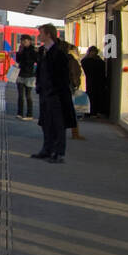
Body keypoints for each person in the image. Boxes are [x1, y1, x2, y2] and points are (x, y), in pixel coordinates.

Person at [33, 23, 74, 163]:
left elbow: (63, 77)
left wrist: (54, 91)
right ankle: (47, 149)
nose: (39, 36)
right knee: (46, 123)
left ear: (48, 34)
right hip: (44, 93)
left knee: (58, 124)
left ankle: (59, 153)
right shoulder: (42, 51)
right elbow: (40, 72)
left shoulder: (59, 53)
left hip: (56, 95)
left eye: (41, 33)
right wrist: (39, 86)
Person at [62, 40, 86, 140]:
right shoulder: (71, 60)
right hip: (69, 87)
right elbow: (74, 74)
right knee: (72, 111)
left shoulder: (57, 58)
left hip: (59, 87)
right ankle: (75, 133)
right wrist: (76, 84)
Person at [14, 35, 38, 119]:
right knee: (20, 96)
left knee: (28, 96)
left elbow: (37, 60)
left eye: (25, 41)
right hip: (20, 75)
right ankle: (19, 113)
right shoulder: (21, 50)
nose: (23, 43)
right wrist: (19, 52)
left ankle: (29, 114)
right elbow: (18, 60)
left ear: (29, 41)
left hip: (30, 76)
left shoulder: (33, 50)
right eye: (22, 41)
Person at [81, 45, 109, 118]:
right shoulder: (99, 62)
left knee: (92, 96)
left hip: (92, 82)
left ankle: (91, 112)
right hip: (97, 82)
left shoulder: (85, 61)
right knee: (95, 97)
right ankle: (94, 112)